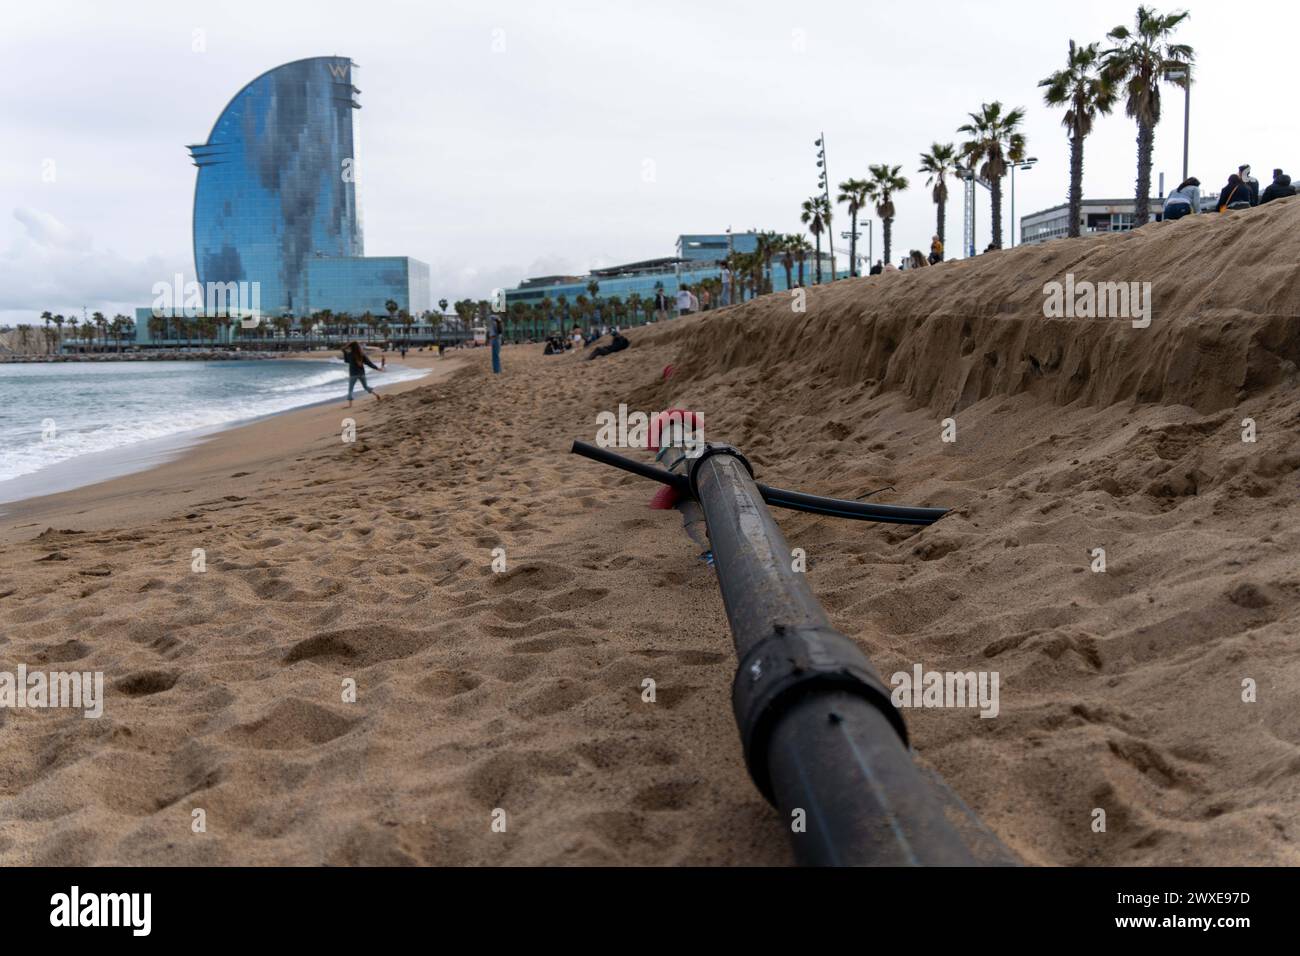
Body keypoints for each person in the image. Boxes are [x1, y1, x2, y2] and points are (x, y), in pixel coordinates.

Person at [341, 340, 383, 407]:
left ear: (351, 347)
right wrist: (377, 368)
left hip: (353, 374)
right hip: (361, 373)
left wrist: (345, 350)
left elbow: (346, 361)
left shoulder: (350, 354)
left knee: (350, 389)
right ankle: (376, 394)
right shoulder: (362, 354)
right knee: (366, 387)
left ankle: (350, 405)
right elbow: (369, 363)